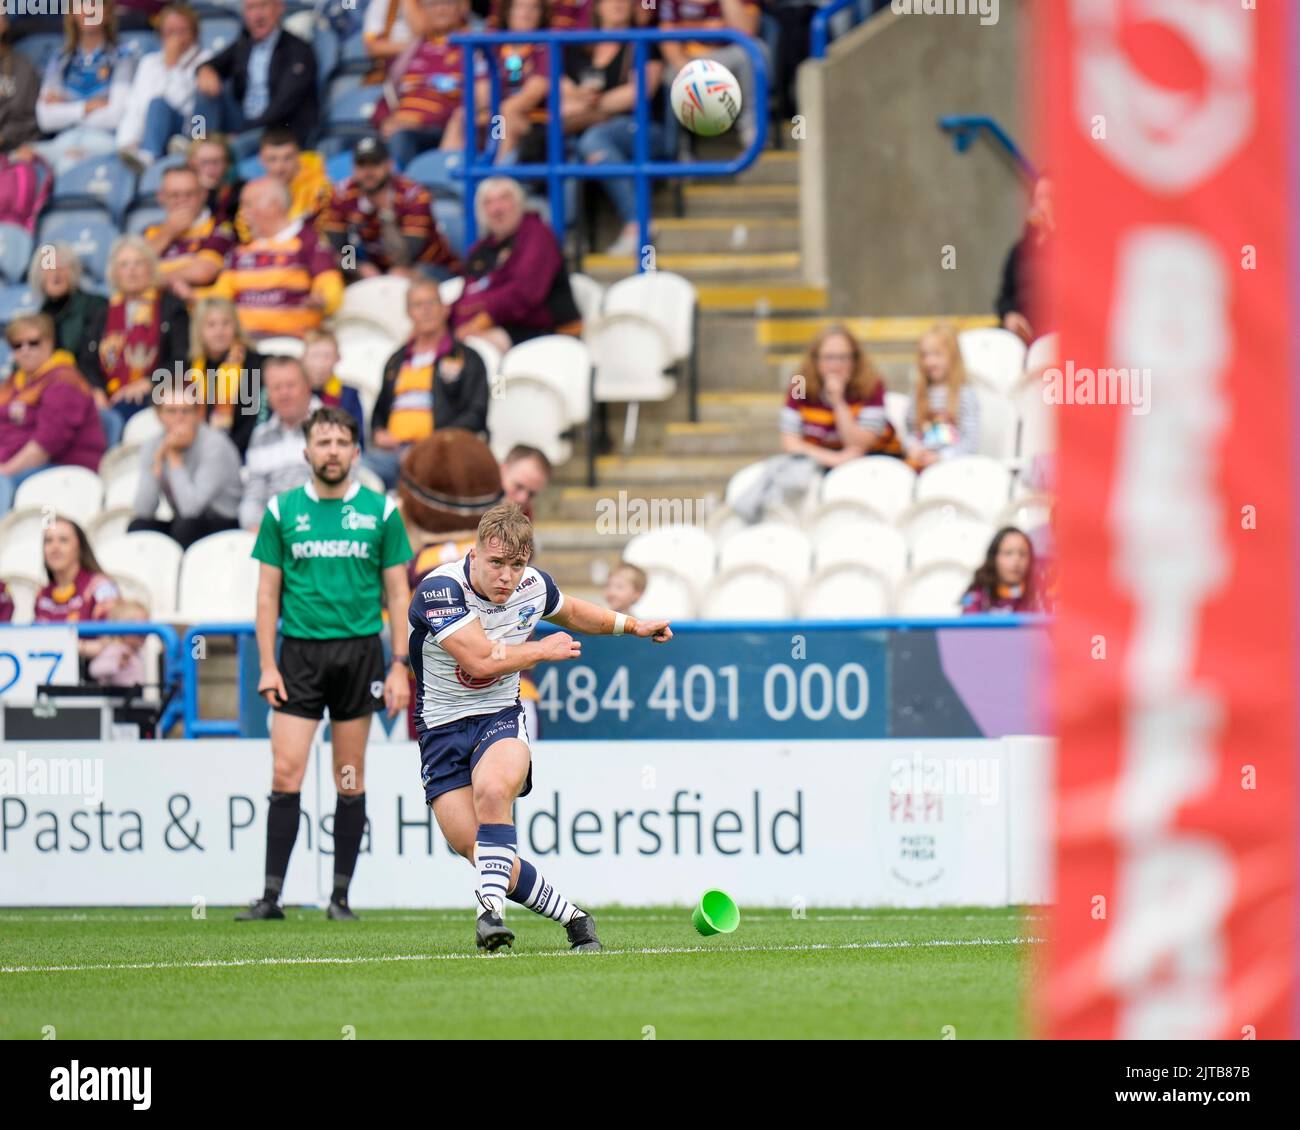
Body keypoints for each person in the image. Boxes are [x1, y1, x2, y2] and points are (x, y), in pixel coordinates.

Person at [408, 500, 672, 951]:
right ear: (474, 556)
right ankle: (575, 919)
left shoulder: (532, 587)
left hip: (499, 716)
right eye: (496, 563)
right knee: (479, 850)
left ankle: (489, 915)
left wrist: (633, 625)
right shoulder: (439, 591)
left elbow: (573, 612)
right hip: (441, 729)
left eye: (516, 565)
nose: (506, 576)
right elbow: (476, 658)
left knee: (493, 792)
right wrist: (540, 651)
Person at [240, 405, 413, 921]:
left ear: (356, 452)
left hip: (360, 652)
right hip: (299, 656)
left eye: (342, 443)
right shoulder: (281, 510)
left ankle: (340, 898)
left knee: (349, 776)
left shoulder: (381, 511)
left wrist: (400, 663)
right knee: (286, 770)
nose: (332, 451)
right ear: (307, 451)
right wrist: (268, 664)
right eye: (323, 443)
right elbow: (267, 595)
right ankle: (271, 897)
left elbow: (398, 594)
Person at [733, 325, 899, 524]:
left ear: (855, 359)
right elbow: (790, 443)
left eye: (843, 357)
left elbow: (859, 444)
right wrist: (834, 459)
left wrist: (838, 401)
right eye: (829, 357)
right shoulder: (799, 384)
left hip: (871, 464)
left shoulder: (871, 385)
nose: (836, 365)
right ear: (816, 359)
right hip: (825, 461)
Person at [562, 0, 665, 255]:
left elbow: (642, 92)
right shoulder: (578, 49)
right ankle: (566, 237)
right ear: (597, 7)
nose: (618, 4)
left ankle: (637, 223)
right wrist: (586, 103)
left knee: (592, 141)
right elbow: (562, 99)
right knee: (566, 150)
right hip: (589, 129)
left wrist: (592, 106)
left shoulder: (644, 42)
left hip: (641, 129)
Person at [366, 279, 488, 487]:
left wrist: (431, 443)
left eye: (432, 303)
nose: (426, 310)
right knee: (353, 472)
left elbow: (476, 414)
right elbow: (380, 411)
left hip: (442, 453)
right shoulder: (396, 360)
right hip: (391, 454)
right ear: (408, 313)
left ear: (445, 309)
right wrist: (378, 432)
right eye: (418, 305)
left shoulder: (468, 357)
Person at [450, 176, 582, 354]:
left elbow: (524, 294)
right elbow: (467, 297)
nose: (496, 209)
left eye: (504, 199)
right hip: (500, 327)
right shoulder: (480, 250)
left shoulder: (538, 235)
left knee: (477, 347)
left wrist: (479, 322)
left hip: (549, 334)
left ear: (519, 203)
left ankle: (498, 383)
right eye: (488, 202)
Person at [208, 177, 344, 342]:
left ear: (274, 205)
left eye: (248, 204)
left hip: (290, 342)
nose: (242, 212)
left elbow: (329, 285)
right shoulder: (241, 249)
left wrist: (323, 300)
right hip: (244, 344)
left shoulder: (309, 241)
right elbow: (220, 295)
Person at [0, 315, 106, 515]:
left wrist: (4, 472)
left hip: (63, 470)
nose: (25, 350)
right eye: (17, 345)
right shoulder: (14, 382)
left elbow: (45, 445)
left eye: (33, 343)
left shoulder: (64, 382)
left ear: (49, 343)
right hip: (19, 465)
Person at [320, 135, 460, 280]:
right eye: (361, 165)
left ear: (390, 165)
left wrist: (387, 216)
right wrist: (357, 268)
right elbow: (339, 247)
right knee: (336, 274)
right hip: (379, 270)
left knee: (398, 275)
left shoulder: (414, 196)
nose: (368, 172)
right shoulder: (342, 195)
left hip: (432, 267)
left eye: (374, 164)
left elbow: (404, 259)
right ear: (353, 168)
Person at [193, 0, 320, 151]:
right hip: (243, 120)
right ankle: (197, 142)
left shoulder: (298, 50)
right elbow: (214, 63)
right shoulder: (244, 44)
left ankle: (212, 152)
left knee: (233, 149)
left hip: (275, 129)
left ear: (279, 8)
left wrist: (241, 133)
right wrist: (204, 70)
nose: (257, 15)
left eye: (263, 6)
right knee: (205, 91)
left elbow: (281, 106)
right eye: (251, 8)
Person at [375, 0, 485, 169]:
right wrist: (385, 121)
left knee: (401, 138)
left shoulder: (474, 47)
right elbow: (387, 97)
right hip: (400, 125)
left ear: (461, 7)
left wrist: (420, 122)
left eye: (447, 4)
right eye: (433, 4)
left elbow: (479, 100)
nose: (440, 10)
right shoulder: (412, 49)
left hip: (440, 129)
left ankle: (403, 191)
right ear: (423, 10)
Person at [129, 386, 243, 548]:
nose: (179, 418)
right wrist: (157, 463)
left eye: (186, 411)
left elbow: (191, 509)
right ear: (158, 415)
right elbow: (144, 510)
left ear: (198, 414)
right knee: (138, 527)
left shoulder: (214, 444)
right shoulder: (153, 445)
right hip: (186, 522)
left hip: (224, 523)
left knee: (185, 527)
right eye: (171, 411)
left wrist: (174, 458)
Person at [34, 2, 137, 175]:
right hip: (64, 140)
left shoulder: (123, 56)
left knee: (68, 163)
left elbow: (116, 116)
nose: (89, 11)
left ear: (107, 13)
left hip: (104, 139)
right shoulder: (60, 59)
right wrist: (86, 107)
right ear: (73, 13)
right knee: (20, 157)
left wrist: (66, 106)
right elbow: (45, 119)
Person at [98, 236, 190, 422]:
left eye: (138, 263)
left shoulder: (171, 307)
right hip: (110, 395)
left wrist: (149, 382)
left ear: (151, 268)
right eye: (124, 265)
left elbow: (182, 359)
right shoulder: (103, 311)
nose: (131, 270)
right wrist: (96, 390)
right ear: (114, 273)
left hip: (157, 394)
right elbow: (87, 360)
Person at [659, 0, 765, 151]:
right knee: (671, 76)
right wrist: (688, 70)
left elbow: (746, 32)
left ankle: (751, 132)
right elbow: (667, 37)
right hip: (688, 62)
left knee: (754, 54)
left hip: (728, 58)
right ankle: (678, 151)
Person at [239, 356, 322, 531]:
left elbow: (346, 486)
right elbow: (253, 496)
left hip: (322, 531)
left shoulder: (332, 427)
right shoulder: (260, 436)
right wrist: (256, 527)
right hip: (273, 534)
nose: (284, 393)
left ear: (308, 386)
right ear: (267, 394)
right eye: (276, 387)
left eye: (291, 385)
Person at [116, 2, 203, 168]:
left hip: (186, 130)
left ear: (195, 33)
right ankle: (143, 153)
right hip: (150, 131)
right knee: (153, 105)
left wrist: (172, 66)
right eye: (170, 32)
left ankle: (149, 157)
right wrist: (126, 142)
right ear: (161, 34)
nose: (176, 38)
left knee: (158, 105)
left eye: (182, 31)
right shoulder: (149, 62)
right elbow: (137, 104)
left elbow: (184, 102)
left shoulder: (204, 60)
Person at [143, 165, 237, 302]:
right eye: (174, 195)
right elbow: (136, 265)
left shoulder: (221, 227)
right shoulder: (152, 232)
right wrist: (169, 232)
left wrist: (155, 279)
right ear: (161, 197)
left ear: (203, 194)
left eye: (189, 194)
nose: (182, 201)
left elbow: (204, 271)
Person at [34, 516, 119, 667]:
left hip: (92, 681)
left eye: (63, 540)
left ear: (79, 548)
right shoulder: (42, 594)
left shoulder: (101, 587)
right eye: (48, 541)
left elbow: (113, 643)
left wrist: (68, 647)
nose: (55, 547)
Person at [187, 295, 266, 457]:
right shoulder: (190, 368)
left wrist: (223, 454)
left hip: (242, 452)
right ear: (199, 331)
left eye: (225, 323)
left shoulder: (254, 364)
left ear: (235, 327)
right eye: (211, 325)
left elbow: (253, 422)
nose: (219, 331)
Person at [30, 243, 107, 398]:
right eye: (49, 267)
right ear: (38, 275)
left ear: (74, 271)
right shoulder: (38, 318)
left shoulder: (95, 305)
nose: (55, 274)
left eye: (62, 267)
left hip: (85, 388)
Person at [904, 323, 980, 469]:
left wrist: (941, 457)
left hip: (953, 466)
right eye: (924, 355)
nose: (929, 361)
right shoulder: (918, 393)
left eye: (936, 354)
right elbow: (910, 433)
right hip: (921, 464)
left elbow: (970, 443)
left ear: (953, 356)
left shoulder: (965, 394)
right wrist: (914, 448)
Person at [235, 127, 332, 239]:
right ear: (261, 159)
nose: (279, 167)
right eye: (272, 159)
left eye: (287, 158)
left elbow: (325, 233)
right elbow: (245, 234)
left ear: (298, 156)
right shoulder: (254, 193)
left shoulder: (320, 188)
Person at [997, 175, 1053, 345]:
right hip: (1019, 336)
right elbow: (1005, 296)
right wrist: (1009, 315)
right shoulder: (1020, 250)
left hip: (1052, 337)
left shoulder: (1072, 249)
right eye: (1036, 197)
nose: (1038, 204)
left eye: (1046, 197)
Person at [960, 527, 1046, 614]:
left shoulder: (1039, 597)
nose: (1016, 561)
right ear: (994, 558)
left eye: (1022, 554)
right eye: (1008, 553)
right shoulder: (976, 597)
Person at [302, 330, 365, 446]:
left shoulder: (349, 395)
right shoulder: (294, 393)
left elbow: (358, 438)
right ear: (303, 358)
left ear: (338, 358)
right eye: (315, 355)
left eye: (327, 356)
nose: (320, 363)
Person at [0, 11, 41, 152]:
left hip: (11, 148)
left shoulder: (22, 66)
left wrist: (4, 136)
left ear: (4, 23)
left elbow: (28, 120)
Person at [88, 599, 150, 688]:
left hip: (133, 698)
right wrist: (117, 664)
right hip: (117, 699)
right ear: (122, 630)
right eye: (140, 630)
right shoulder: (115, 649)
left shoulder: (135, 651)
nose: (145, 633)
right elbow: (94, 669)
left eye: (148, 627)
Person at [189, 135, 244, 226]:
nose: (211, 168)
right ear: (192, 163)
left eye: (217, 161)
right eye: (205, 162)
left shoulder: (239, 191)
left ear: (228, 163)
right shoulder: (183, 193)